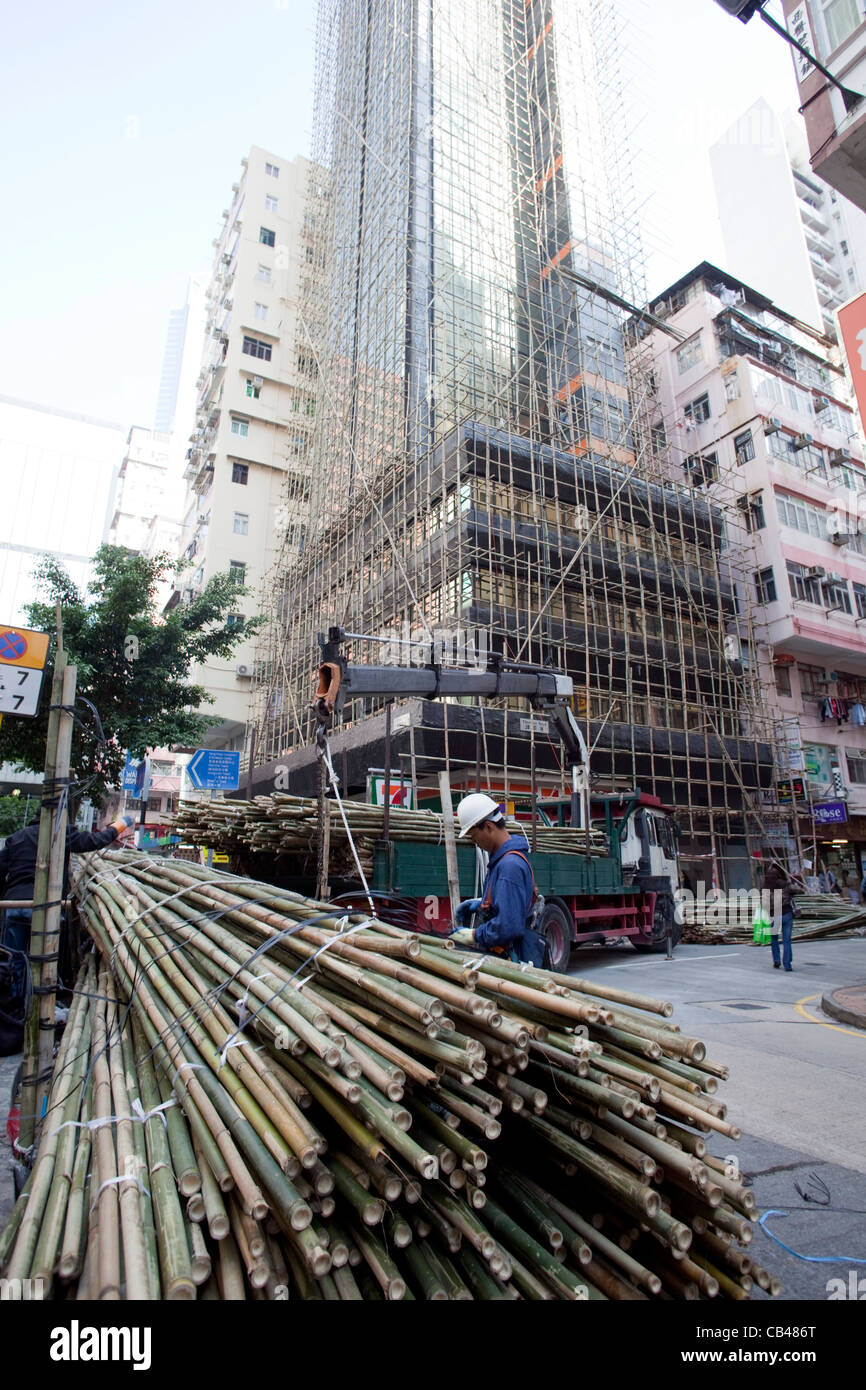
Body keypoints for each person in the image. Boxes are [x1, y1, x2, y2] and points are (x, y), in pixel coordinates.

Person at [0, 808, 135, 958]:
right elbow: (95, 841)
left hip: (14, 904)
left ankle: (14, 981)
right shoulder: (60, 834)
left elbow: (1, 870)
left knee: (12, 959)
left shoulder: (17, 837)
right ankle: (38, 981)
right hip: (45, 906)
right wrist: (120, 825)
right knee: (42, 959)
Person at [450, 793, 541, 965]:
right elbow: (512, 903)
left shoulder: (509, 865)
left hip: (512, 959)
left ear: (489, 827)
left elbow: (508, 927)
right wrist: (482, 904)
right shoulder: (502, 861)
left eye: (473, 835)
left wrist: (474, 935)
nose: (474, 841)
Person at [763, 861, 797, 972]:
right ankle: (787, 964)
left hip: (774, 915)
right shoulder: (785, 885)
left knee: (774, 939)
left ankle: (776, 960)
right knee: (787, 940)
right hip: (786, 914)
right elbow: (800, 890)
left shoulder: (765, 888)